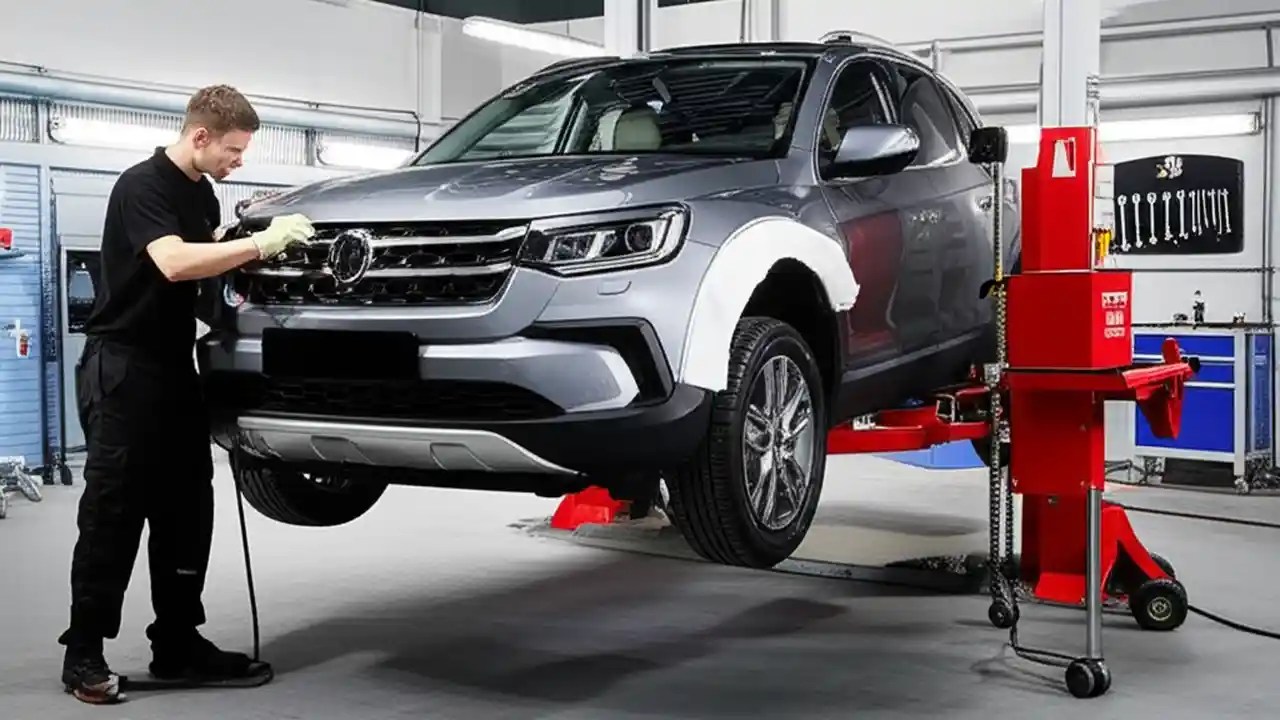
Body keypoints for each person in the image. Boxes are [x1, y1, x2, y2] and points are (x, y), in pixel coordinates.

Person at [58, 84, 315, 705]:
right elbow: (174, 263)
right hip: (121, 368)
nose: (239, 160)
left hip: (174, 369)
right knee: (114, 515)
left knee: (186, 512)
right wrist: (260, 243)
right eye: (233, 148)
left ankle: (176, 642)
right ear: (200, 136)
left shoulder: (202, 193)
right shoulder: (141, 185)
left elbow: (203, 281)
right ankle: (84, 654)